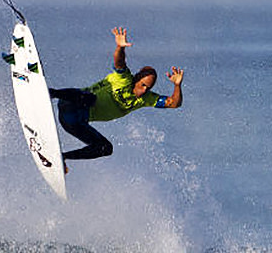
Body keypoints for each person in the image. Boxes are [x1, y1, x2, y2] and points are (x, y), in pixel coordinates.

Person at [49, 27, 183, 168]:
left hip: (73, 124)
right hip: (70, 103)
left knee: (106, 148)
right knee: (90, 99)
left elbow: (174, 103)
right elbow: (119, 62)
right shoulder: (123, 78)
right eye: (143, 85)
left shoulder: (146, 99)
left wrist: (177, 85)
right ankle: (51, 93)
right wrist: (120, 47)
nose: (144, 90)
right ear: (136, 78)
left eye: (148, 88)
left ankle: (62, 157)